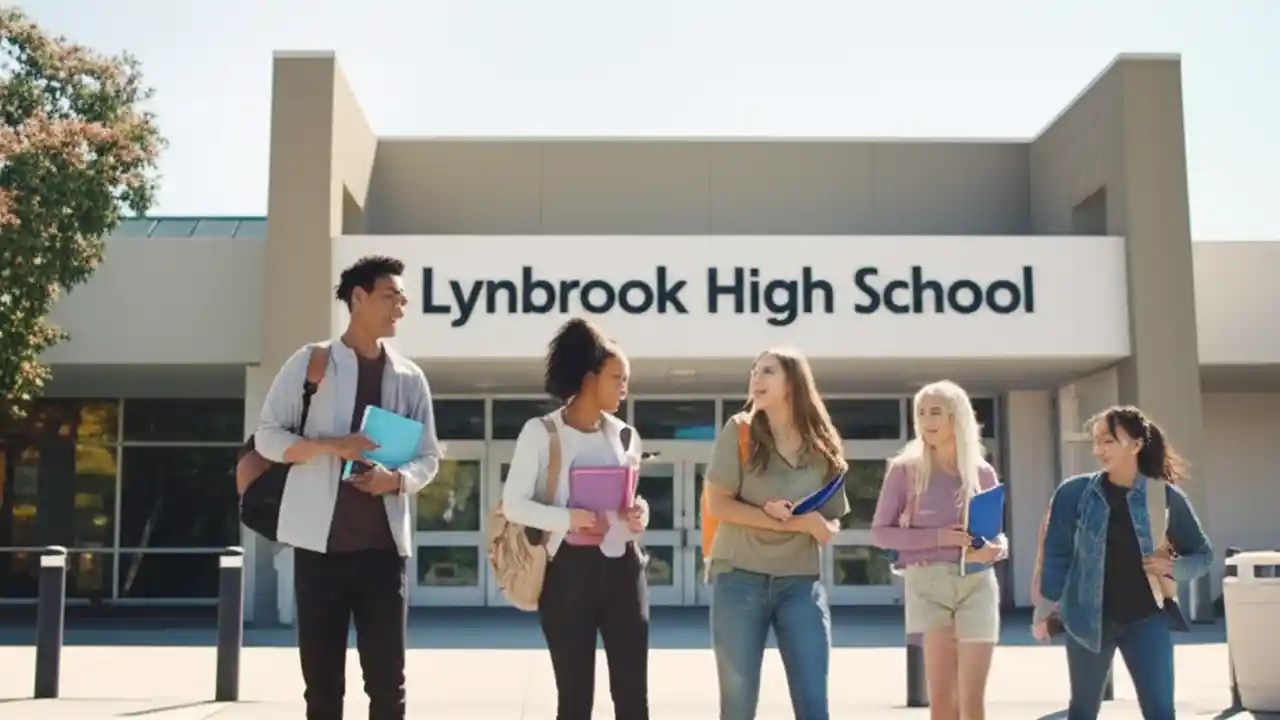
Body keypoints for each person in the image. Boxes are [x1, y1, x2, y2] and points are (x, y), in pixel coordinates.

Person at [253, 255, 442, 720]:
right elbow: (267, 438)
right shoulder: (311, 363)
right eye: (390, 297)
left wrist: (395, 480)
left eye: (403, 299)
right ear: (358, 298)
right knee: (322, 692)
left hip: (384, 556)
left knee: (389, 689)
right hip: (320, 555)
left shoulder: (410, 378)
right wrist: (334, 446)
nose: (400, 307)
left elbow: (428, 457)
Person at [500, 317, 650, 720]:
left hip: (624, 570)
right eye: (617, 377)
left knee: (633, 698)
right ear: (589, 379)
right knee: (574, 700)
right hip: (566, 575)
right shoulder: (541, 432)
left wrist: (640, 512)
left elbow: (631, 500)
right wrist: (571, 518)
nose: (624, 387)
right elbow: (514, 504)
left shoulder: (625, 435)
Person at [1033, 405, 1213, 720]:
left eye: (1108, 441)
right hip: (1087, 621)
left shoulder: (1163, 496)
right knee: (1083, 711)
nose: (1098, 450)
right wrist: (1044, 610)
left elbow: (1203, 554)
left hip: (1147, 620)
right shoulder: (1073, 494)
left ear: (1136, 444)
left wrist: (1172, 567)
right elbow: (1057, 554)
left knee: (1160, 711)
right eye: (1096, 441)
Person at [703, 347, 850, 720]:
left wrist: (822, 527)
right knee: (737, 708)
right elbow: (717, 504)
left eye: (768, 371)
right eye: (754, 371)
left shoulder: (823, 442)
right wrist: (787, 520)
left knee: (814, 705)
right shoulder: (739, 431)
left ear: (792, 383)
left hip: (800, 584)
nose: (756, 378)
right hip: (738, 579)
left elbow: (832, 517)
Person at [870, 380, 1007, 720]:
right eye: (920, 413)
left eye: (935, 412)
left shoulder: (982, 471)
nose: (926, 420)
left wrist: (995, 549)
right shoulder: (904, 470)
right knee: (943, 703)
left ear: (956, 416)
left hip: (977, 584)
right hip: (928, 584)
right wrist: (939, 537)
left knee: (972, 700)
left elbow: (997, 536)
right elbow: (881, 533)